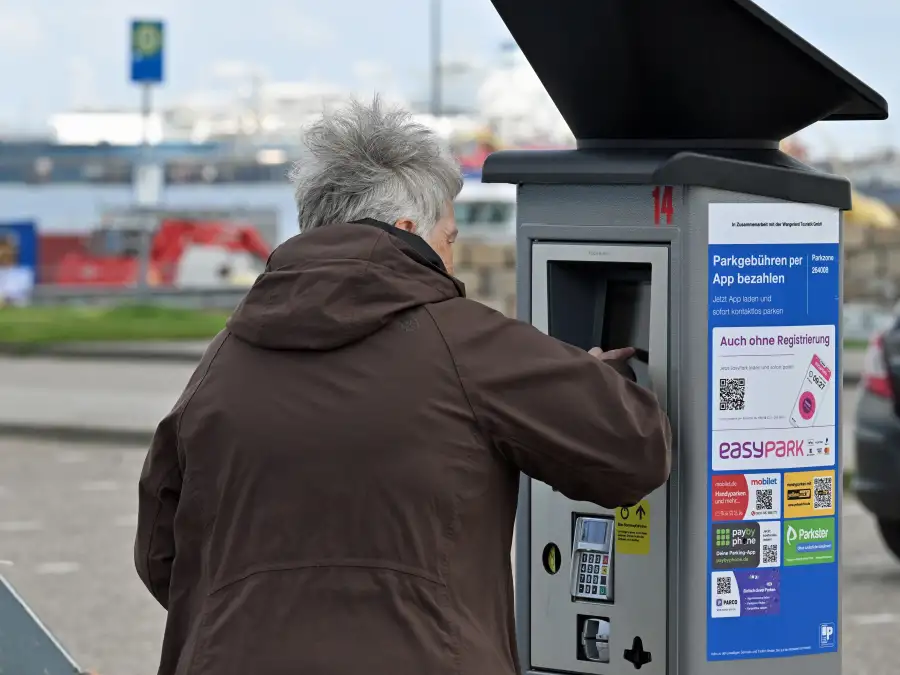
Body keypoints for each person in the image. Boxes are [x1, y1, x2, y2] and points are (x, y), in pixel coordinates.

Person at [134, 96, 672, 675]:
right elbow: (634, 452)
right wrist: (602, 379)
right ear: (409, 230)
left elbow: (163, 554)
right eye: (450, 238)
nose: (451, 258)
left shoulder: (225, 359)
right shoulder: (467, 345)